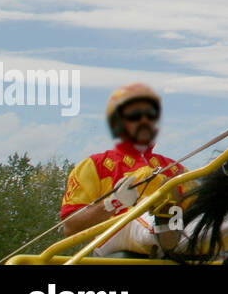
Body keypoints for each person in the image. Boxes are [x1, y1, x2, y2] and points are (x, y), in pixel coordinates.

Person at [60, 83, 189, 256]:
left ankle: (165, 224)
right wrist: (113, 203)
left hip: (176, 233)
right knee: (137, 217)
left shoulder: (176, 169)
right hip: (113, 234)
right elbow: (70, 227)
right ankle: (161, 222)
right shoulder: (94, 165)